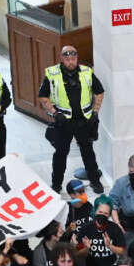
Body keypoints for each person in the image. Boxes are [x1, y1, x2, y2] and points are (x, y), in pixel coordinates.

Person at [41, 43, 105, 195]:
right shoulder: (52, 74)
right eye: (67, 59)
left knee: (88, 153)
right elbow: (43, 97)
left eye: (73, 58)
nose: (70, 62)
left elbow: (100, 91)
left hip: (84, 121)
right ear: (62, 59)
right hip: (64, 122)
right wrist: (55, 113)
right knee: (60, 154)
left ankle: (95, 181)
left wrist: (95, 112)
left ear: (77, 58)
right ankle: (56, 184)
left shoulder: (86, 72)